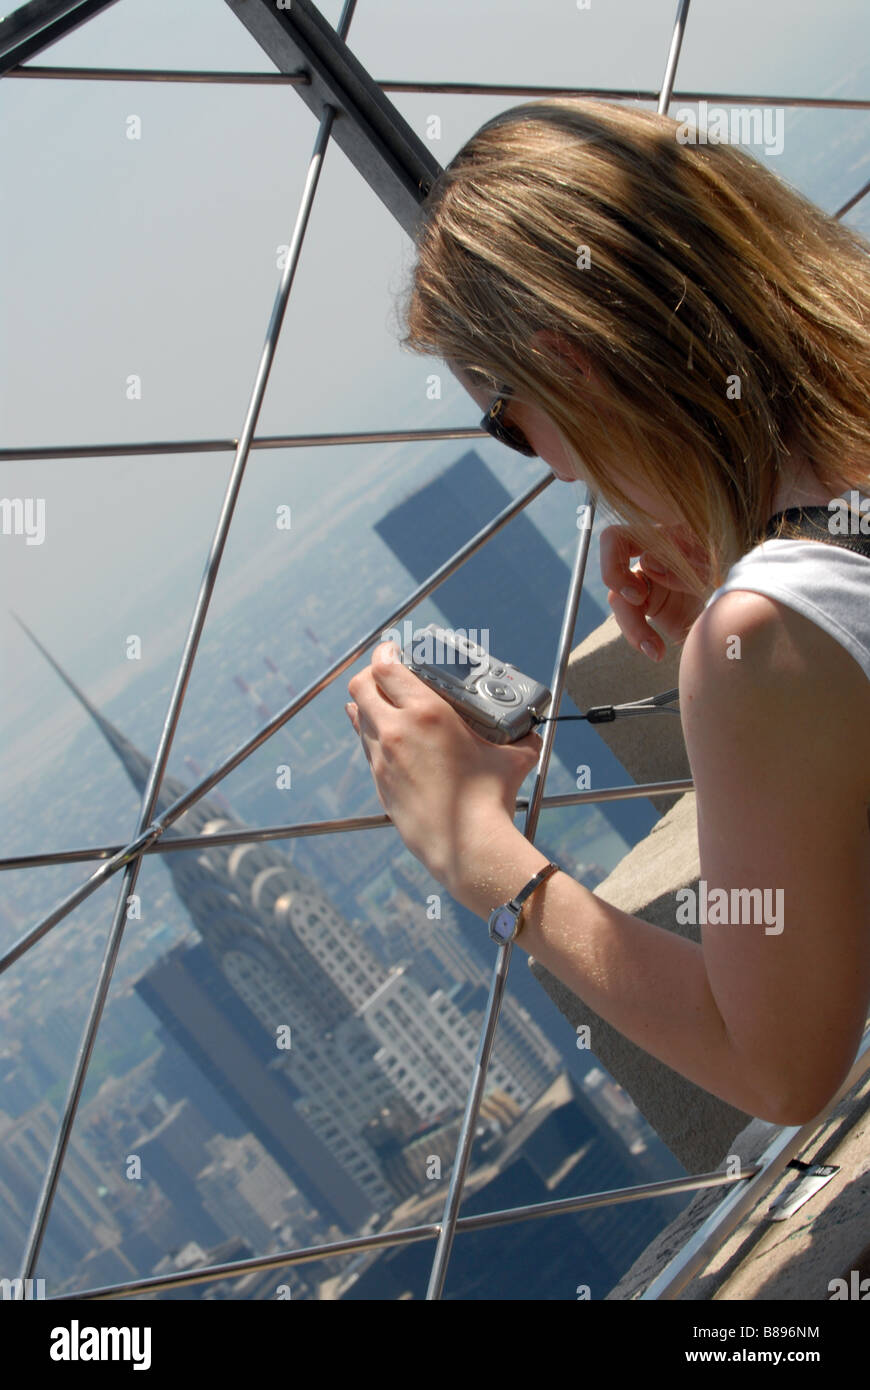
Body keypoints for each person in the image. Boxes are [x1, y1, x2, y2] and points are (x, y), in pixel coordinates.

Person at [345, 99, 870, 1126]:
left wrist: (482, 854)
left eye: (506, 422)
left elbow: (778, 1066)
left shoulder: (764, 639)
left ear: (570, 362)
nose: (541, 458)